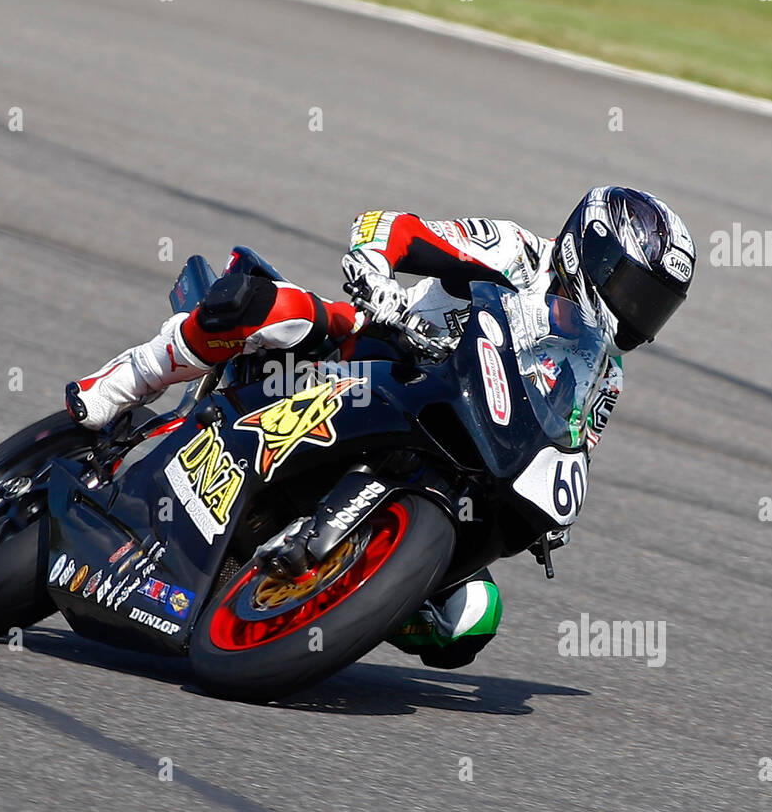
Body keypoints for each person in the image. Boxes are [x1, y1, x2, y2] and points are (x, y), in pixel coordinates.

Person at [65, 187, 696, 668]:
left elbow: (574, 440)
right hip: (370, 361)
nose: (640, 317)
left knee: (469, 621)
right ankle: (123, 381)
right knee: (275, 309)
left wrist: (546, 508)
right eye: (635, 292)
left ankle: (342, 589)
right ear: (591, 250)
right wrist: (377, 271)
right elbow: (391, 228)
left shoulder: (602, 371)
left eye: (656, 307)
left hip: (452, 453)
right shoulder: (516, 252)